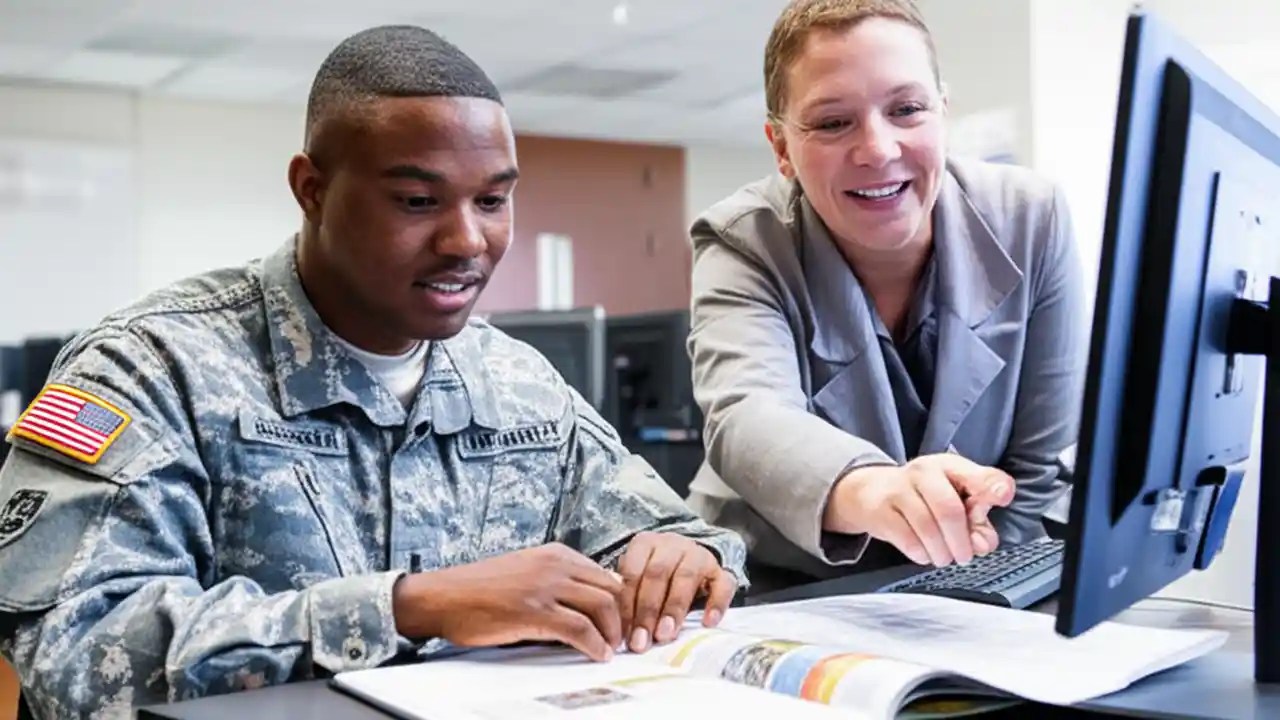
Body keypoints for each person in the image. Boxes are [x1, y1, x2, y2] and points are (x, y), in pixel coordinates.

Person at [0, 25, 746, 718]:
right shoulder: (150, 369)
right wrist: (404, 607)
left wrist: (682, 555)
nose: (467, 240)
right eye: (417, 201)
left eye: (492, 201)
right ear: (312, 189)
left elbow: (660, 530)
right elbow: (75, 653)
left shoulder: (519, 381)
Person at [685, 0, 1086, 589]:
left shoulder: (1033, 220)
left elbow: (1040, 464)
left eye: (907, 110)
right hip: (784, 586)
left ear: (942, 116)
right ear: (780, 148)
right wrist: (875, 489)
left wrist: (989, 587)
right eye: (831, 122)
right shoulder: (744, 240)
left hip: (979, 578)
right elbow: (748, 419)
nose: (877, 149)